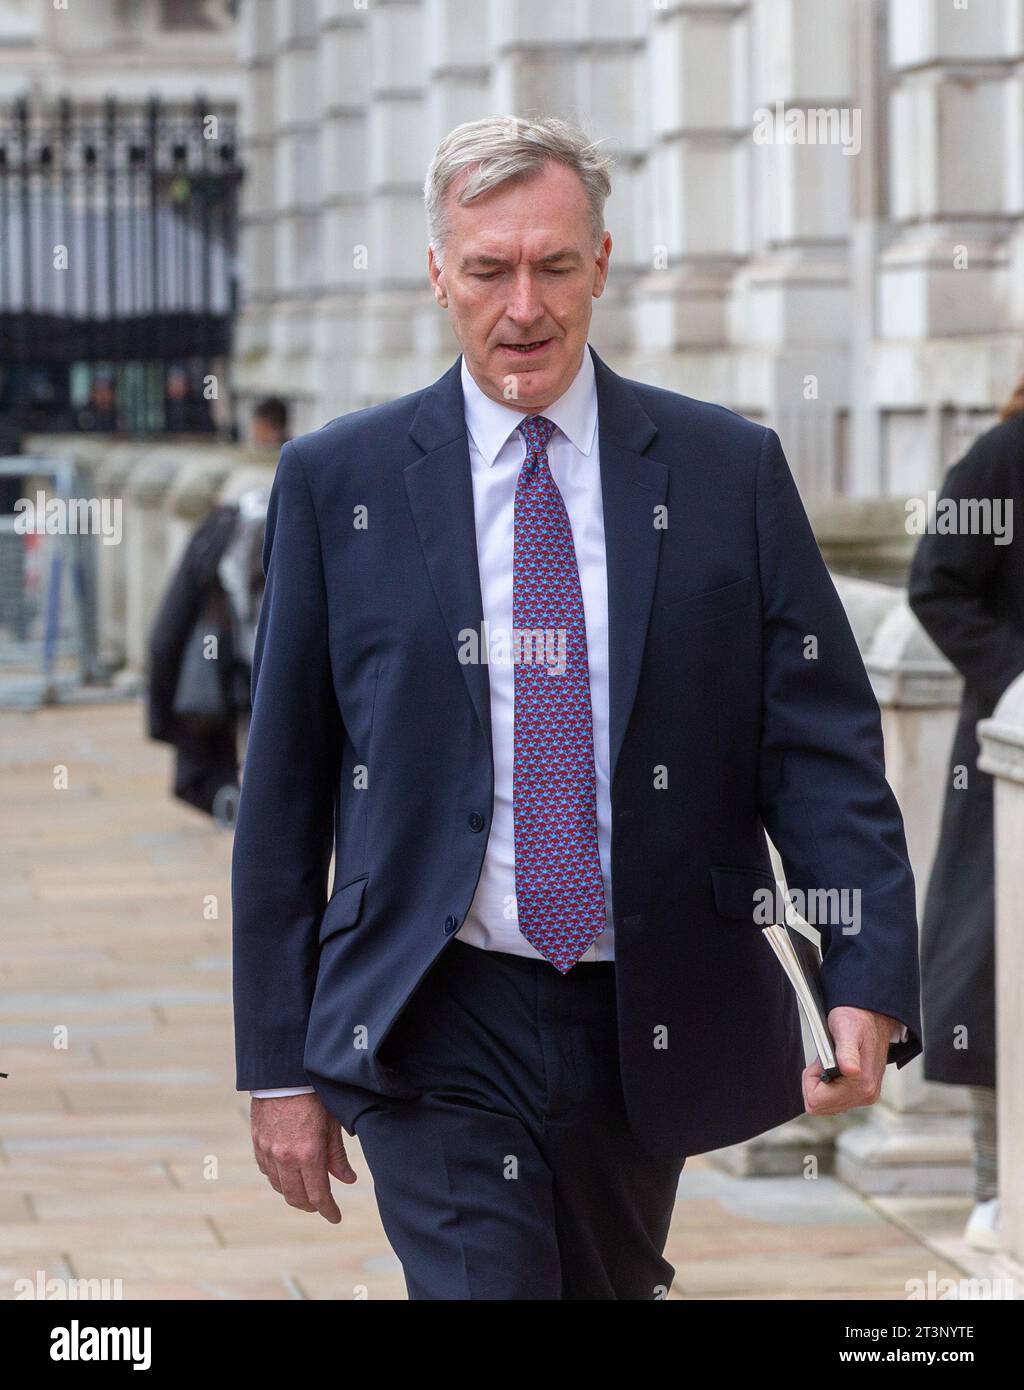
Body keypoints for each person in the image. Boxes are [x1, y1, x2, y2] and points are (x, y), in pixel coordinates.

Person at [231, 115, 922, 1301]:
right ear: (437, 273)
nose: (523, 307)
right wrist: (275, 1063)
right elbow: (286, 789)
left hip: (643, 1002)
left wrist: (866, 971)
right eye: (489, 269)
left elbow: (816, 750)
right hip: (429, 1004)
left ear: (602, 264)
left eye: (555, 266)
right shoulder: (336, 486)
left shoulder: (725, 473)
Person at [907, 379, 1024, 1252]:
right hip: (1010, 761)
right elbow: (937, 586)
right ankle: (999, 1189)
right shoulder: (1001, 458)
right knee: (999, 975)